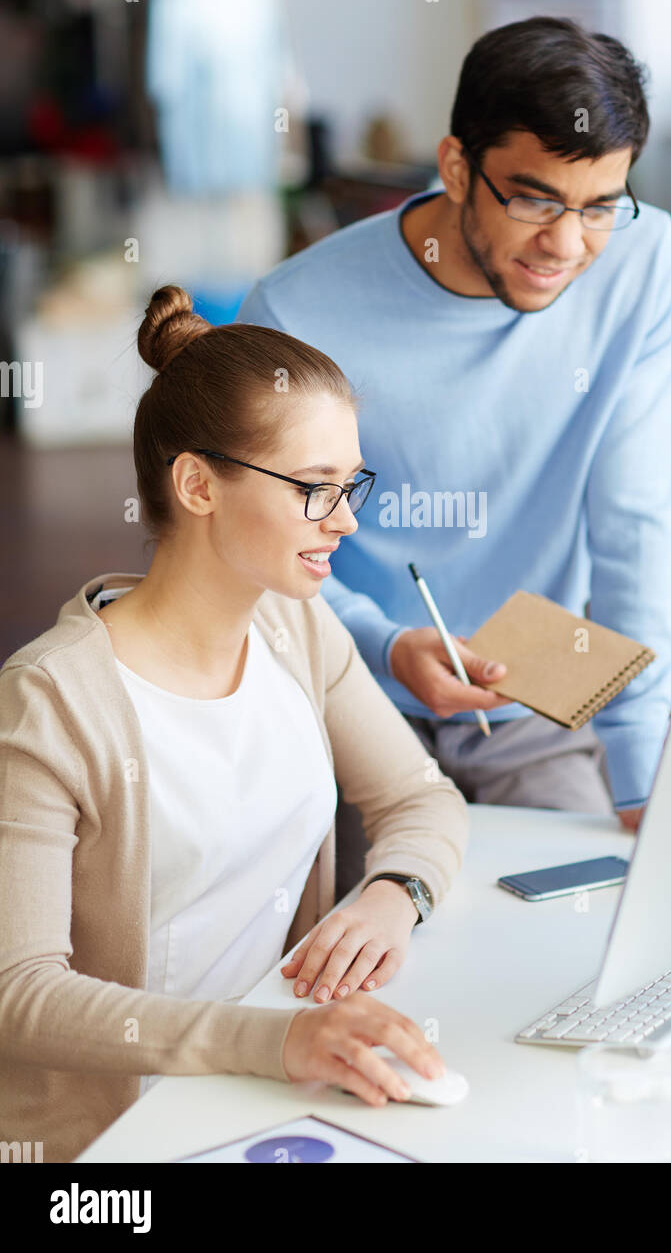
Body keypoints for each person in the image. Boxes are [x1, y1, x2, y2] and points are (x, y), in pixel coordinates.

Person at [0, 286, 468, 1163]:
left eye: (350, 484)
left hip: (259, 1106)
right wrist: (270, 1042)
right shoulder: (48, 704)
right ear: (196, 485)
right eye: (314, 488)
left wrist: (391, 897)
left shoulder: (295, 627)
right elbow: (18, 994)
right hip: (106, 1147)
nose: (347, 519)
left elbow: (420, 798)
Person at [237, 17, 671, 841]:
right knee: (362, 942)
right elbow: (269, 554)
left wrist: (641, 769)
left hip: (532, 699)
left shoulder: (645, 263)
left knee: (587, 929)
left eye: (599, 207)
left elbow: (636, 525)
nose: (565, 245)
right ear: (457, 168)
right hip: (347, 694)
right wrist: (384, 646)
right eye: (533, 199)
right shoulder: (299, 311)